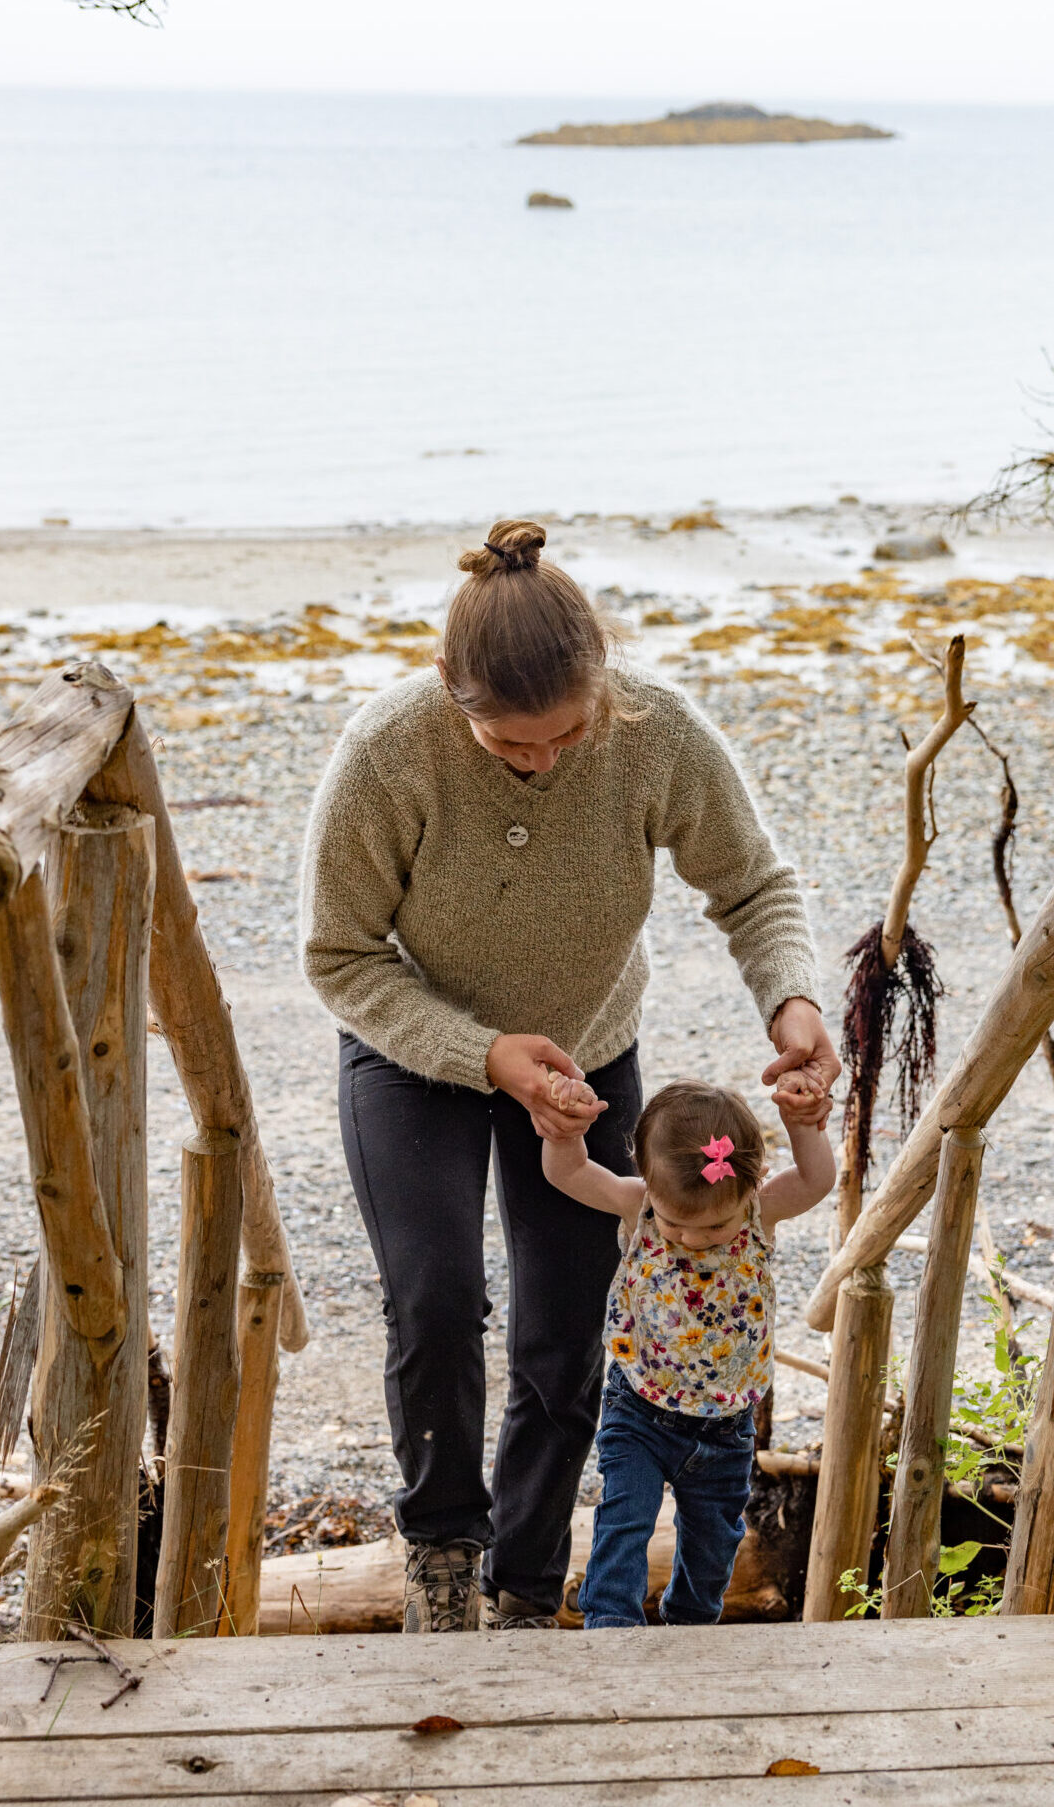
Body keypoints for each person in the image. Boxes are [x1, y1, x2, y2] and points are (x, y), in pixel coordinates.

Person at [300, 519, 839, 1632]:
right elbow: (339, 955)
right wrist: (483, 1052)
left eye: (569, 735)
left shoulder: (657, 733)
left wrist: (790, 998)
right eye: (514, 750)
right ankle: (446, 1550)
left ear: (603, 687)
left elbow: (754, 886)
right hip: (415, 1052)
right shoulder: (386, 751)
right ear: (456, 702)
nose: (546, 762)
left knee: (568, 1321)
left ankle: (527, 1578)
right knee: (438, 1299)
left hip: (588, 1054)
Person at [540, 1074, 835, 1628]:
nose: (694, 1238)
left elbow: (818, 1179)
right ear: (648, 1184)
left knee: (713, 1540)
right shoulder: (639, 1207)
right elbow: (569, 1173)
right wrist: (565, 1133)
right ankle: (611, 1627)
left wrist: (803, 1126)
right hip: (639, 1406)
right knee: (624, 1522)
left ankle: (692, 1632)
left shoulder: (759, 1214)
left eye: (715, 1226)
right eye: (676, 1224)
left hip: (726, 1424)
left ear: (750, 1188)